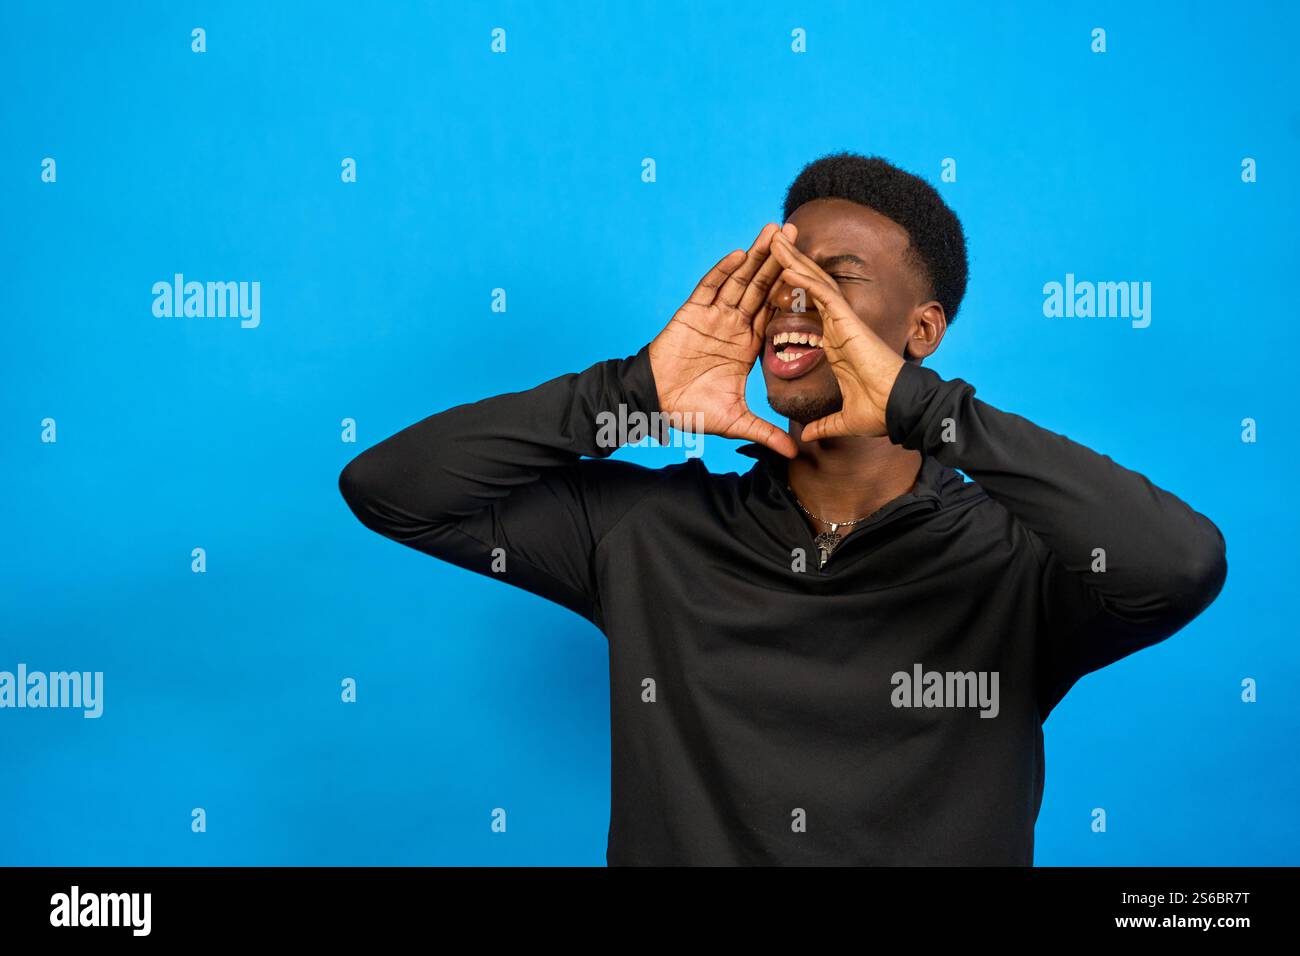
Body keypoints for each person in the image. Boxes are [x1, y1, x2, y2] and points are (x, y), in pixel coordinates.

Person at [338, 152, 1227, 865]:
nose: (793, 299)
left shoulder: (1019, 565)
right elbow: (393, 490)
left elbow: (1180, 565)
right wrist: (636, 390)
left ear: (921, 332)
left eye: (835, 277)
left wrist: (928, 408)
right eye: (782, 276)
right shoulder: (649, 534)